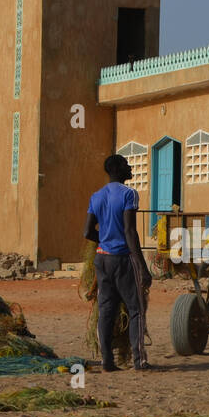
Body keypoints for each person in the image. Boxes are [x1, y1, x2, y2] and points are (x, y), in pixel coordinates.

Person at [83, 154, 151, 371]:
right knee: (136, 309)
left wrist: (103, 240)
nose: (130, 168)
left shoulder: (96, 196)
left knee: (106, 311)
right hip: (122, 259)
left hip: (101, 260)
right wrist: (142, 266)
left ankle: (107, 361)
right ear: (119, 169)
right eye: (127, 165)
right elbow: (130, 231)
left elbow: (87, 231)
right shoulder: (129, 194)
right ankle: (140, 361)